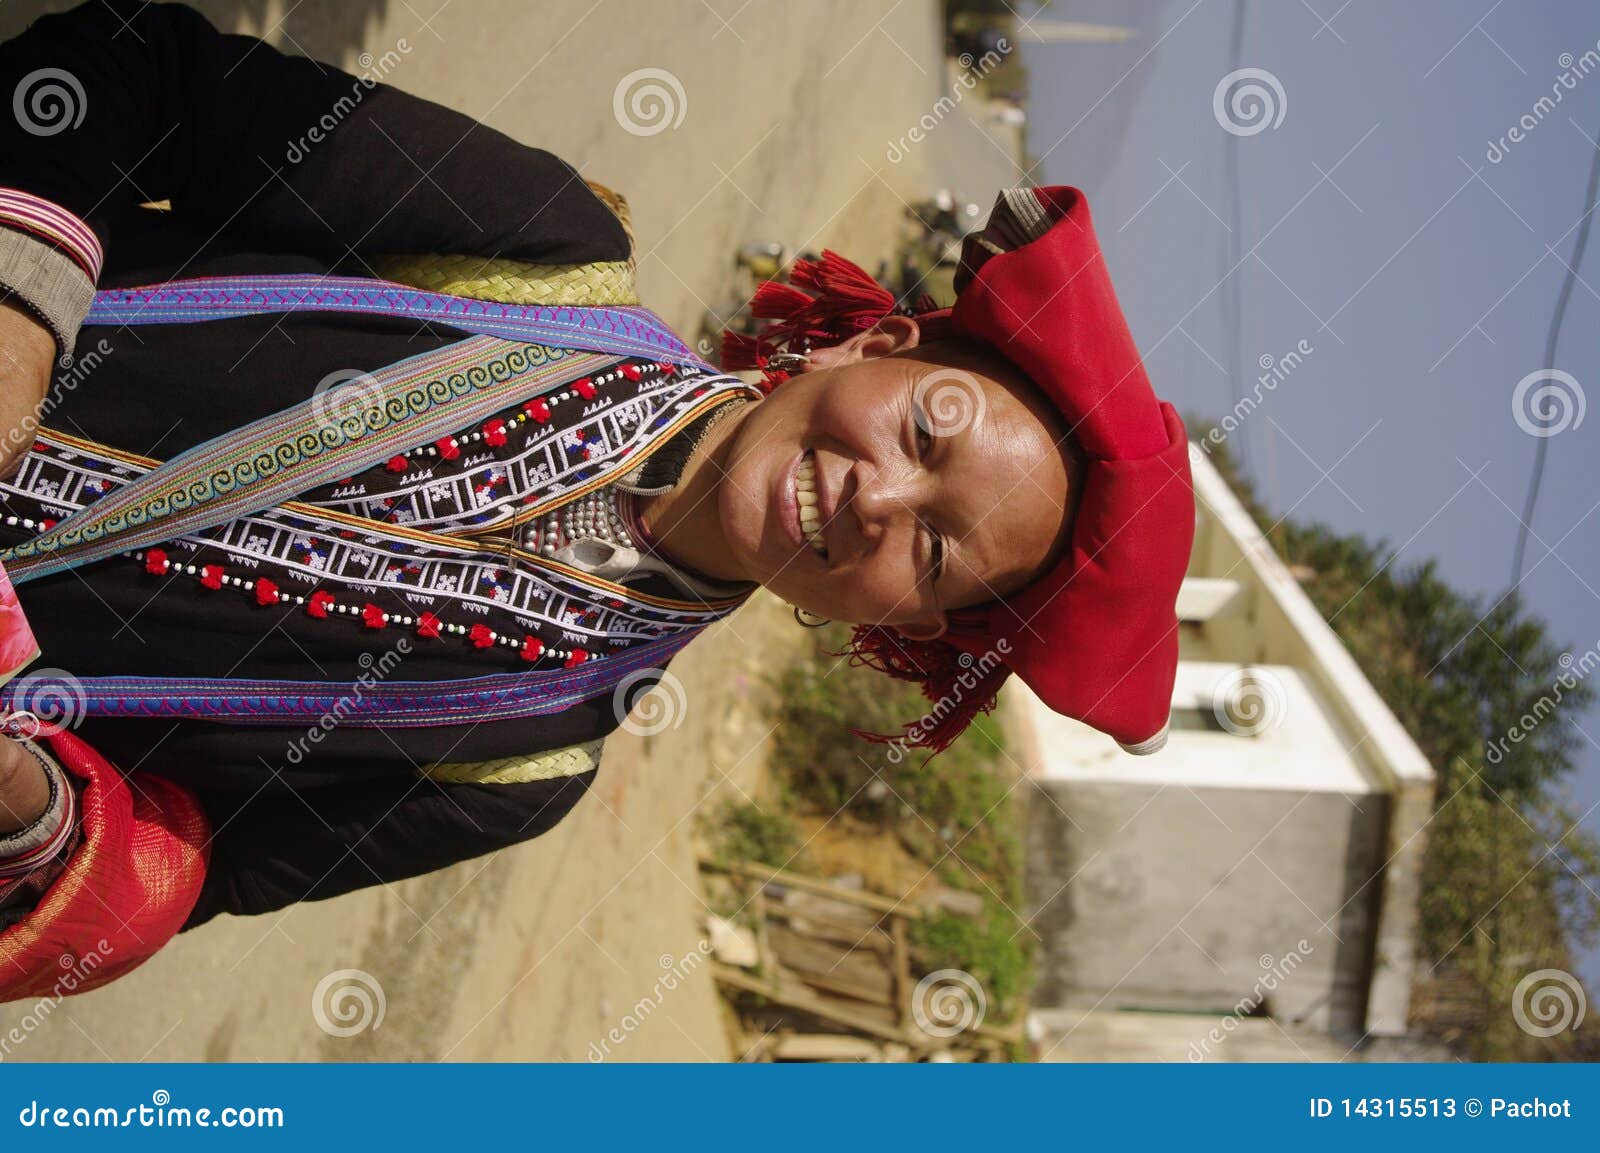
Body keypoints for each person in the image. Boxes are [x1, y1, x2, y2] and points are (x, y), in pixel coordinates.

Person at [0, 0, 1192, 1001]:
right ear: (864, 343)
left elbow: (183, 871)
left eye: (933, 554)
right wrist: (21, 311)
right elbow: (143, 73)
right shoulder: (534, 251)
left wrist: (29, 805)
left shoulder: (522, 763)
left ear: (910, 627)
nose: (881, 496)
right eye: (926, 428)